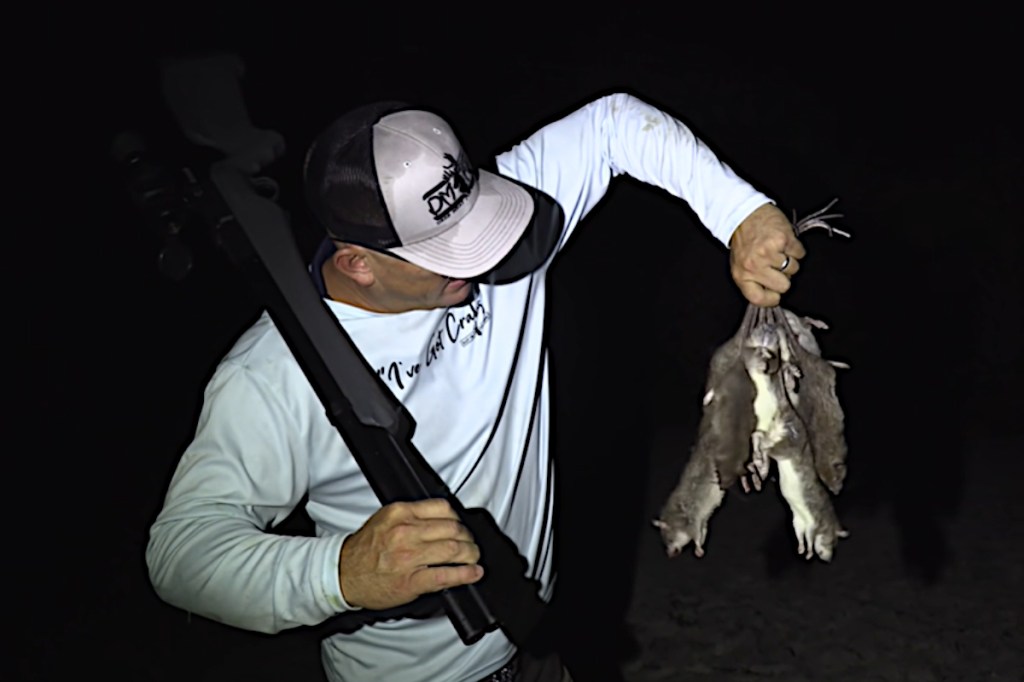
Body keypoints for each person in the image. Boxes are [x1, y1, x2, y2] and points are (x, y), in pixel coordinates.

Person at [146, 91, 806, 682]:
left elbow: (613, 124)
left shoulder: (499, 223)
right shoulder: (270, 374)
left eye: (476, 222)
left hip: (537, 639)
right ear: (358, 264)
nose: (487, 256)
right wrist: (340, 572)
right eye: (447, 252)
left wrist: (741, 213)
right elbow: (183, 553)